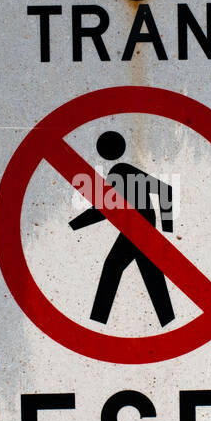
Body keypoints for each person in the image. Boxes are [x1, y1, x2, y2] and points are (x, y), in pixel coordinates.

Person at [69, 130, 175, 326]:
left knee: (112, 267)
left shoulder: (121, 171)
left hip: (139, 229)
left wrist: (167, 230)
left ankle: (97, 323)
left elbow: (165, 190)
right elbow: (105, 209)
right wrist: (74, 225)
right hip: (138, 229)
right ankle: (169, 322)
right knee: (151, 275)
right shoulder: (119, 172)